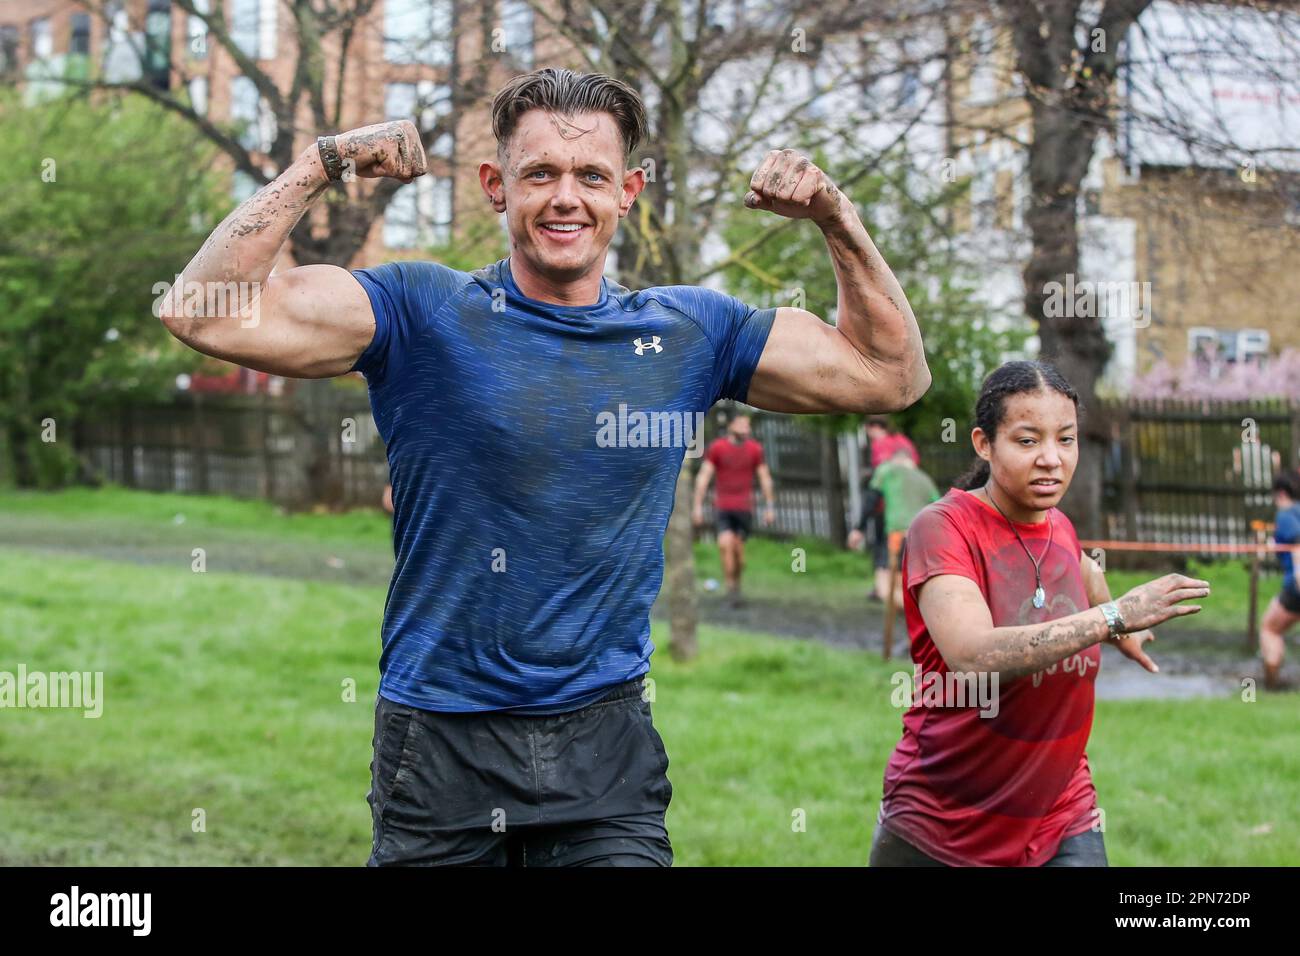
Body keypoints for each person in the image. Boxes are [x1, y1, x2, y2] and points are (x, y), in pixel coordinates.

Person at [157, 67, 931, 866]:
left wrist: (835, 216)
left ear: (627, 191)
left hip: (606, 748)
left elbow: (891, 374)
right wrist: (321, 163)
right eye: (541, 174)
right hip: (442, 739)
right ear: (496, 186)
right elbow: (200, 309)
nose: (567, 197)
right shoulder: (422, 311)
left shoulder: (689, 332)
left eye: (592, 175)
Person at [869, 361, 1210, 867]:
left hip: (1061, 809)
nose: (1051, 459)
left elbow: (1083, 574)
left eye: (1066, 440)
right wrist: (1114, 618)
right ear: (984, 443)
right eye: (1028, 441)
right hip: (946, 818)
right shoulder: (942, 528)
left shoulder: (1060, 527)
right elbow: (972, 655)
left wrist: (1120, 628)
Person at [692, 414, 774, 607]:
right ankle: (731, 590)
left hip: (744, 509)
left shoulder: (755, 449)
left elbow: (765, 478)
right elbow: (703, 477)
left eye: (748, 425)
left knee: (738, 553)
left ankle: (736, 585)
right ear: (730, 426)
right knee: (725, 545)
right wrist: (697, 507)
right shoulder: (718, 448)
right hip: (723, 507)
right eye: (741, 424)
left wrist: (769, 507)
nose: (746, 428)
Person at [848, 447, 939, 606]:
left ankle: (909, 609)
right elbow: (938, 508)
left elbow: (872, 499)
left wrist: (859, 528)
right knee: (906, 584)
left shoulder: (887, 470)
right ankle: (914, 611)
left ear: (895, 460)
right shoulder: (925, 479)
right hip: (923, 538)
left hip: (897, 534)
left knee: (887, 587)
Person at [862, 416, 919, 599]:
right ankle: (901, 590)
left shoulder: (880, 444)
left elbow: (883, 474)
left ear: (872, 427)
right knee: (907, 552)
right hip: (912, 506)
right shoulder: (904, 442)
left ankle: (884, 590)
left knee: (882, 548)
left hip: (888, 507)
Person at [1260, 469, 1300, 689]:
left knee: (1270, 629)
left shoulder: (1285, 515)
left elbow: (1297, 542)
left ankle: (1272, 684)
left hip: (1296, 587)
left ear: (1281, 493)